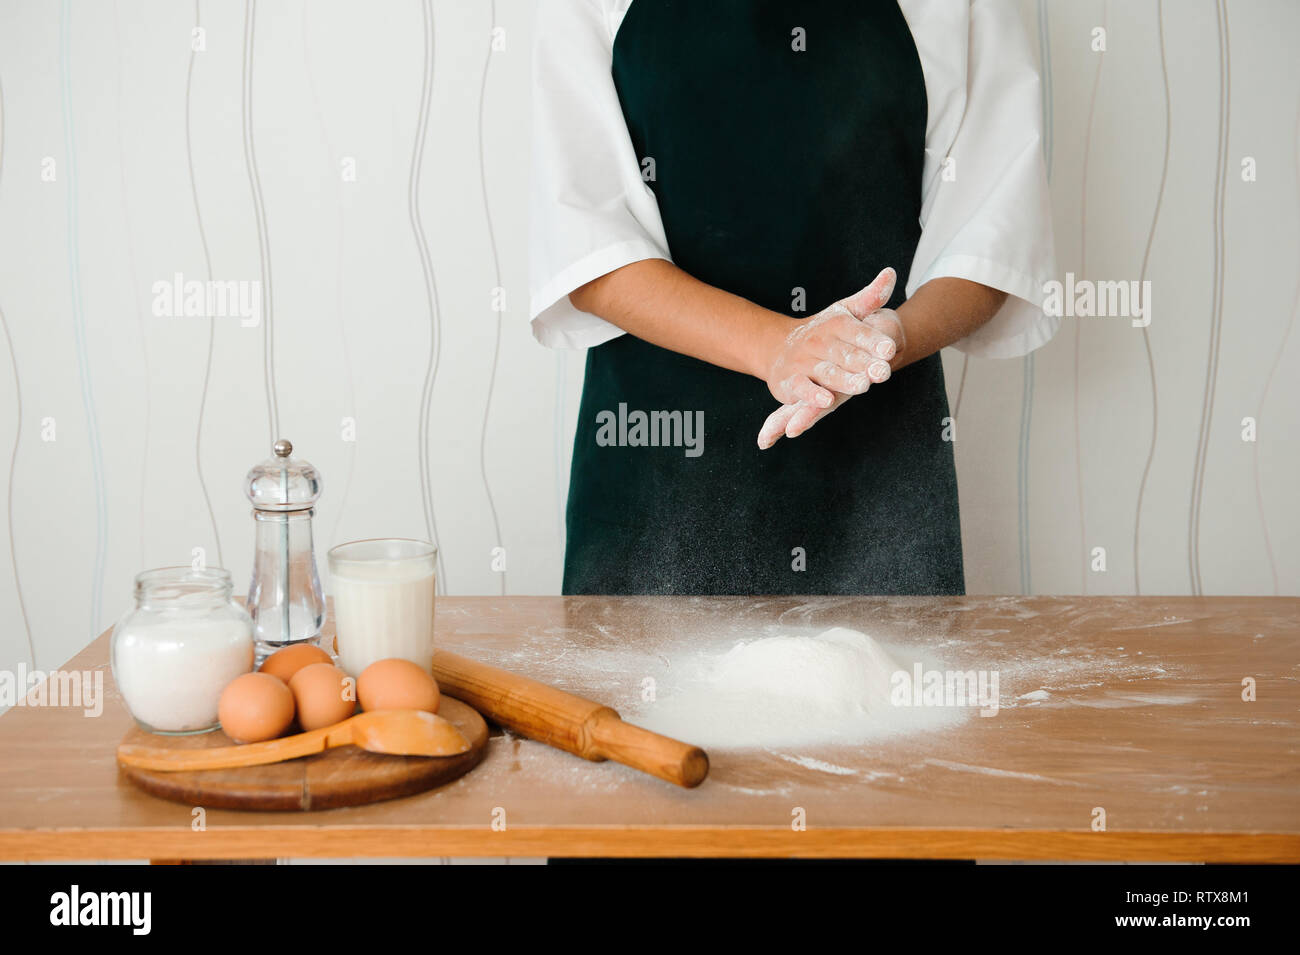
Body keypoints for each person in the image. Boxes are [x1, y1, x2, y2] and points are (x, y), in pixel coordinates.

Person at [529, 0, 1057, 597]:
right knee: (629, 691)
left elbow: (990, 240)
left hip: (878, 452)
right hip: (657, 461)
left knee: (889, 685)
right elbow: (587, 251)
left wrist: (891, 337)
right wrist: (778, 347)